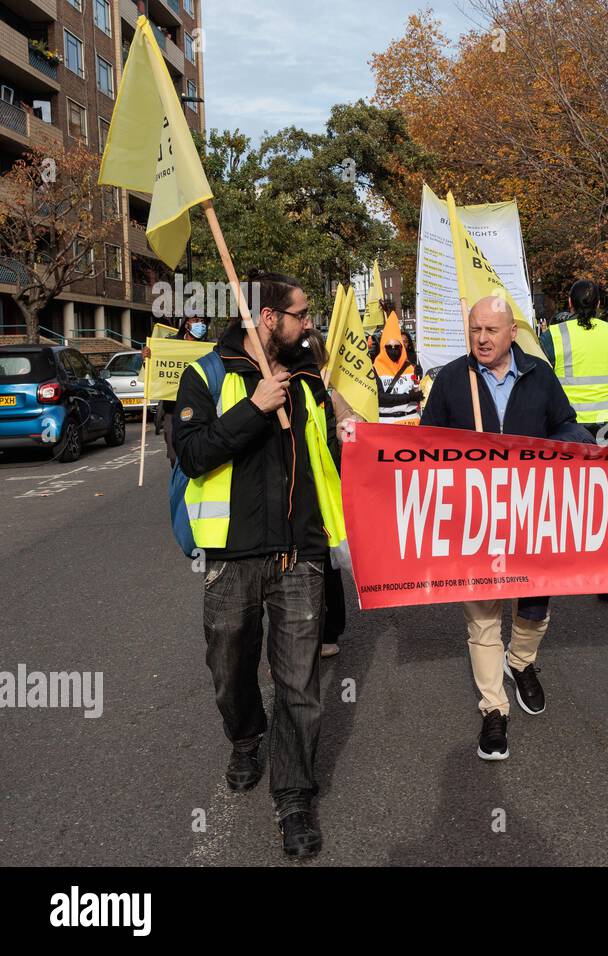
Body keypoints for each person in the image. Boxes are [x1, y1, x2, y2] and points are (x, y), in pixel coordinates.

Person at [172, 272, 352, 858]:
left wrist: (354, 438)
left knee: (300, 683)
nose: (309, 325)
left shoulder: (306, 376)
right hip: (232, 556)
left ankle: (295, 796)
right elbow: (194, 455)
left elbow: (331, 454)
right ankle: (246, 735)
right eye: (300, 315)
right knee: (229, 668)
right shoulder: (207, 374)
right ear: (269, 318)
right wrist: (253, 408)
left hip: (301, 555)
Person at [420, 294, 592, 761]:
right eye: (475, 329)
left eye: (491, 330)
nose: (481, 338)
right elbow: (424, 442)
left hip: (532, 516)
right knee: (482, 615)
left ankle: (523, 663)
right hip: (474, 520)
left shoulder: (538, 374)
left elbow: (569, 427)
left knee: (534, 605)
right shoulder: (453, 379)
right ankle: (493, 710)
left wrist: (568, 446)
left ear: (511, 332)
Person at [540, 280, 608, 447]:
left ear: (569, 302)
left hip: (567, 421)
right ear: (598, 303)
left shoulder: (553, 335)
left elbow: (542, 380)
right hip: (607, 421)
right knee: (604, 468)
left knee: (571, 469)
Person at [305, 328, 346, 661]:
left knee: (326, 563)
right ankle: (302, 635)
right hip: (302, 490)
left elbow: (343, 436)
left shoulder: (331, 394)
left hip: (327, 492)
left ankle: (329, 628)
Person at [145, 312, 210, 464]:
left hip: (202, 407)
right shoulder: (170, 344)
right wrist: (148, 358)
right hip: (173, 408)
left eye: (203, 321)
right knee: (174, 452)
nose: (200, 324)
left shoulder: (210, 347)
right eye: (195, 320)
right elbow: (155, 370)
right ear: (186, 323)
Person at [372, 312, 421, 424]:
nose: (393, 349)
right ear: (383, 348)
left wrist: (420, 377)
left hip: (411, 421)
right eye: (389, 347)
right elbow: (380, 398)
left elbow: (419, 393)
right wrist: (407, 398)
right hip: (387, 422)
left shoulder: (411, 367)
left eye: (397, 346)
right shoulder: (375, 369)